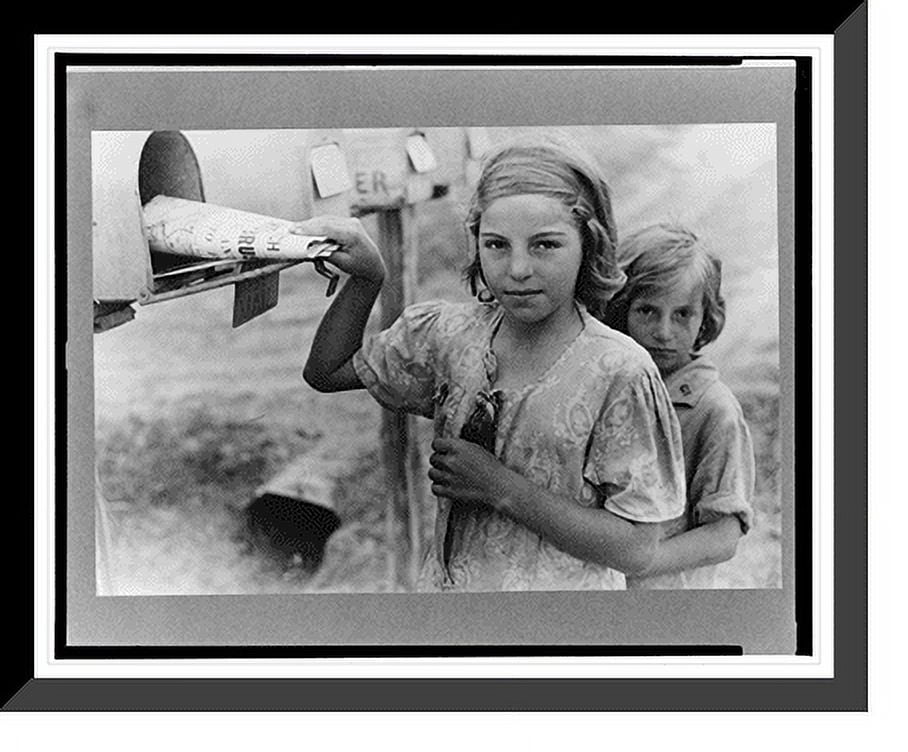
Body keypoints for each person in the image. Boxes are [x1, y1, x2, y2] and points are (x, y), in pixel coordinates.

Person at [292, 136, 686, 592]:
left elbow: (636, 549)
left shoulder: (619, 371)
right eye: (496, 244)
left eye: (545, 246)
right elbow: (327, 370)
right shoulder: (449, 335)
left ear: (588, 244)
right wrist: (367, 278)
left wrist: (500, 487)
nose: (517, 268)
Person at [601, 223, 755, 589]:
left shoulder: (714, 410)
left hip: (664, 602)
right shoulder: (607, 385)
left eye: (683, 314)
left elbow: (723, 536)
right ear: (621, 311)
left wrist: (636, 561)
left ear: (705, 319)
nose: (664, 331)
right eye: (647, 312)